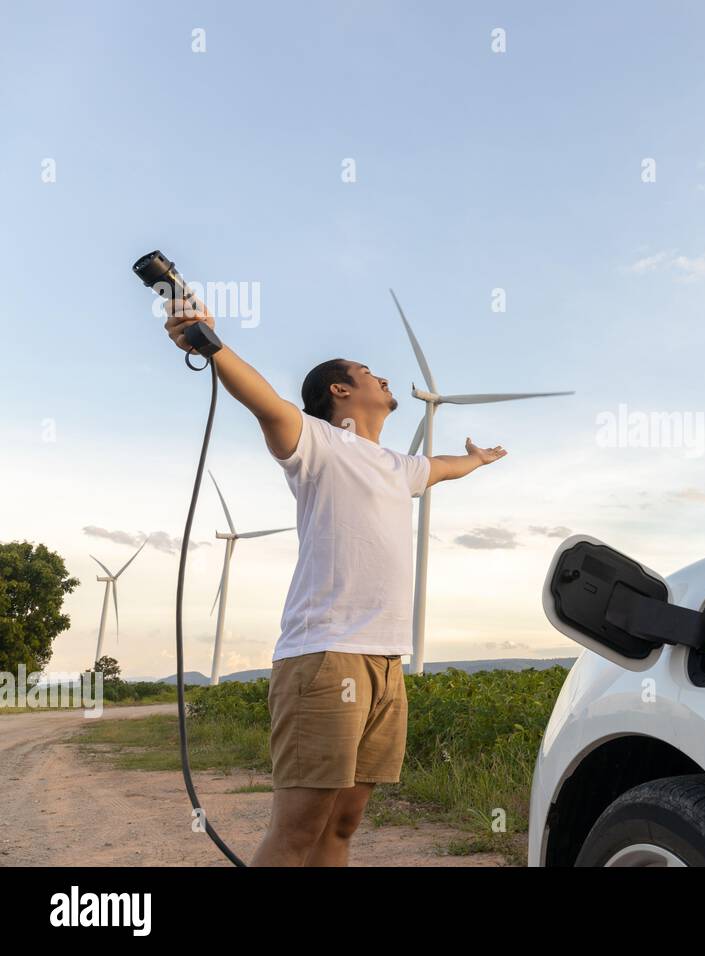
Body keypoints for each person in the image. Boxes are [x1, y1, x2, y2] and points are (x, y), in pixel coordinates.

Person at [162, 296, 506, 866]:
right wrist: (209, 343)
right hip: (326, 656)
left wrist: (480, 459)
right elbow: (263, 399)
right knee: (298, 830)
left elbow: (445, 467)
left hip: (386, 663)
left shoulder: (401, 466)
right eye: (369, 372)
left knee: (343, 826)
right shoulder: (316, 444)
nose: (385, 376)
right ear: (340, 392)